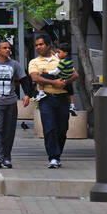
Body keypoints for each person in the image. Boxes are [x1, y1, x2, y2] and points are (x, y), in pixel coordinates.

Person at [0, 39, 32, 169]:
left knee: (9, 131)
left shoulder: (15, 64)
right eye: (4, 48)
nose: (8, 50)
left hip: (11, 103)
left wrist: (27, 94)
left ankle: (6, 157)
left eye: (9, 48)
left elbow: (24, 79)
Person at [28, 34, 74, 168]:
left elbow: (74, 74)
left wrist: (64, 82)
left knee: (62, 129)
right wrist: (54, 82)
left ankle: (57, 155)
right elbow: (35, 78)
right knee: (49, 128)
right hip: (46, 99)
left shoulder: (59, 58)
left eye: (41, 44)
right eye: (36, 45)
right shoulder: (34, 62)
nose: (38, 47)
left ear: (48, 45)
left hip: (63, 98)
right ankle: (53, 157)